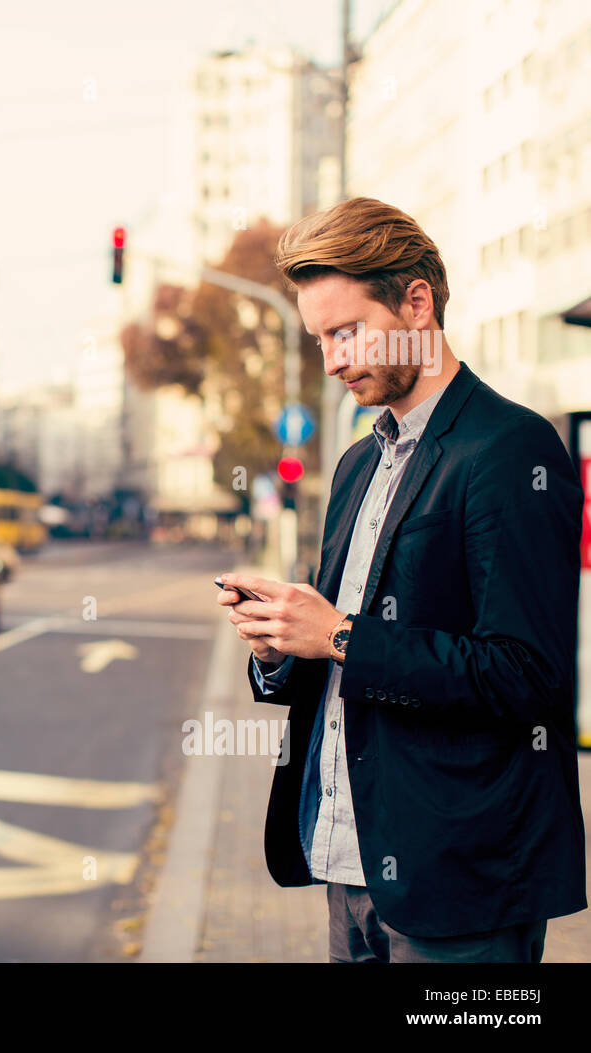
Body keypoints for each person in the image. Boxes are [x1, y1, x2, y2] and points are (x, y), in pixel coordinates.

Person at [217, 196, 586, 963]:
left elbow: (529, 674)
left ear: (417, 302)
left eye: (346, 331)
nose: (332, 359)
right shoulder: (358, 463)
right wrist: (283, 644)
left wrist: (340, 633)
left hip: (463, 880)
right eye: (320, 339)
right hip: (346, 862)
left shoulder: (509, 448)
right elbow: (343, 652)